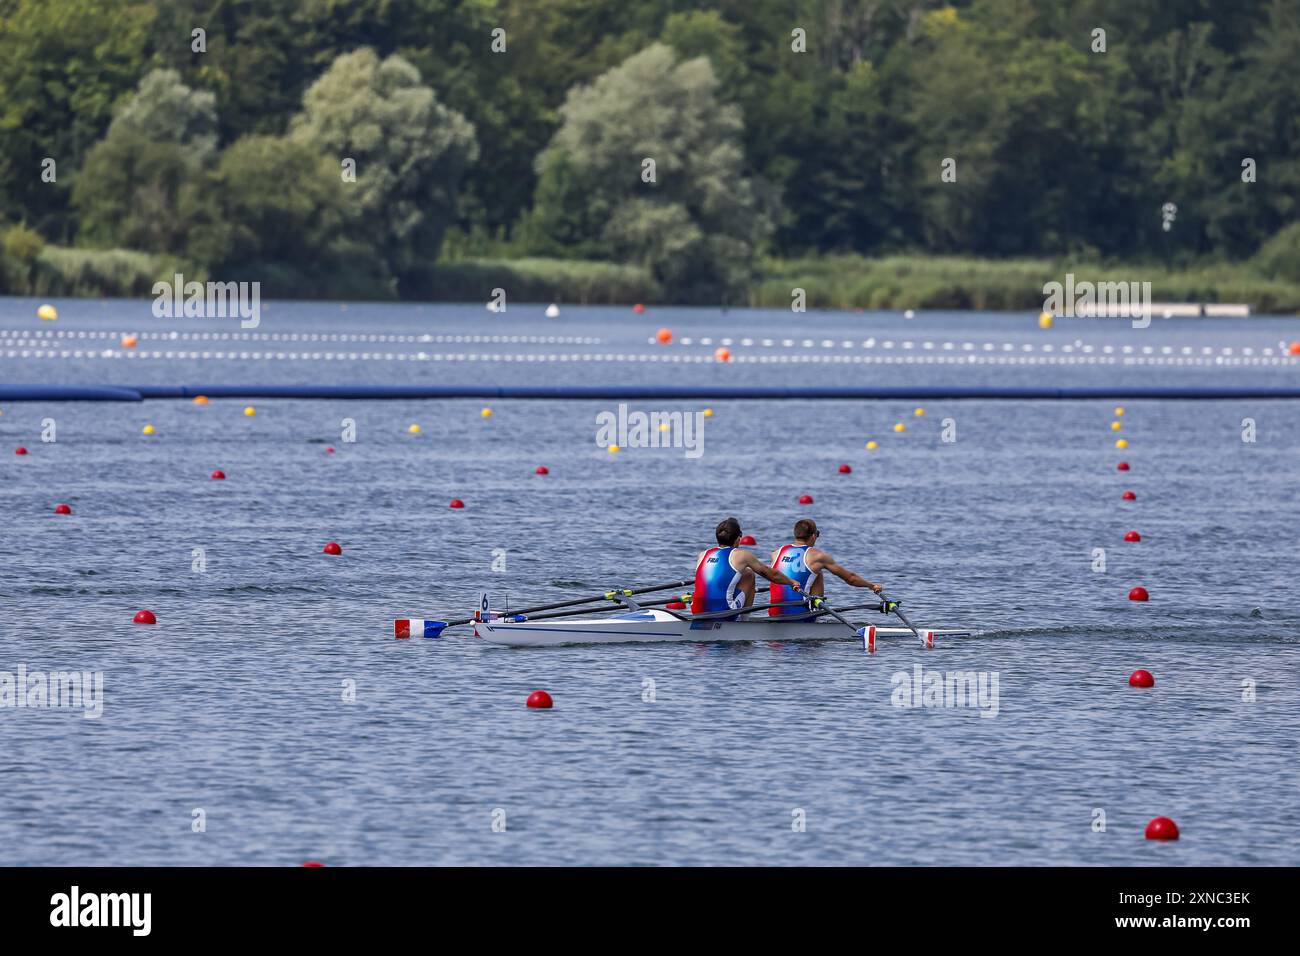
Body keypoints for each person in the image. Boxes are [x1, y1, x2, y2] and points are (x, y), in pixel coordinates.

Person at [768, 518, 883, 617]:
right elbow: (851, 578)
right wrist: (871, 585)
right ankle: (816, 616)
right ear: (813, 536)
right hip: (799, 614)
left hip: (774, 612)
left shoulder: (776, 553)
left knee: (812, 572)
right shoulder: (818, 556)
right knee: (817, 571)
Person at [693, 517, 799, 617]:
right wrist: (791, 582)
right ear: (738, 538)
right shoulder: (742, 555)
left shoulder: (703, 554)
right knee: (749, 574)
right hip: (724, 611)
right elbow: (772, 575)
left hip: (696, 610)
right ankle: (744, 622)